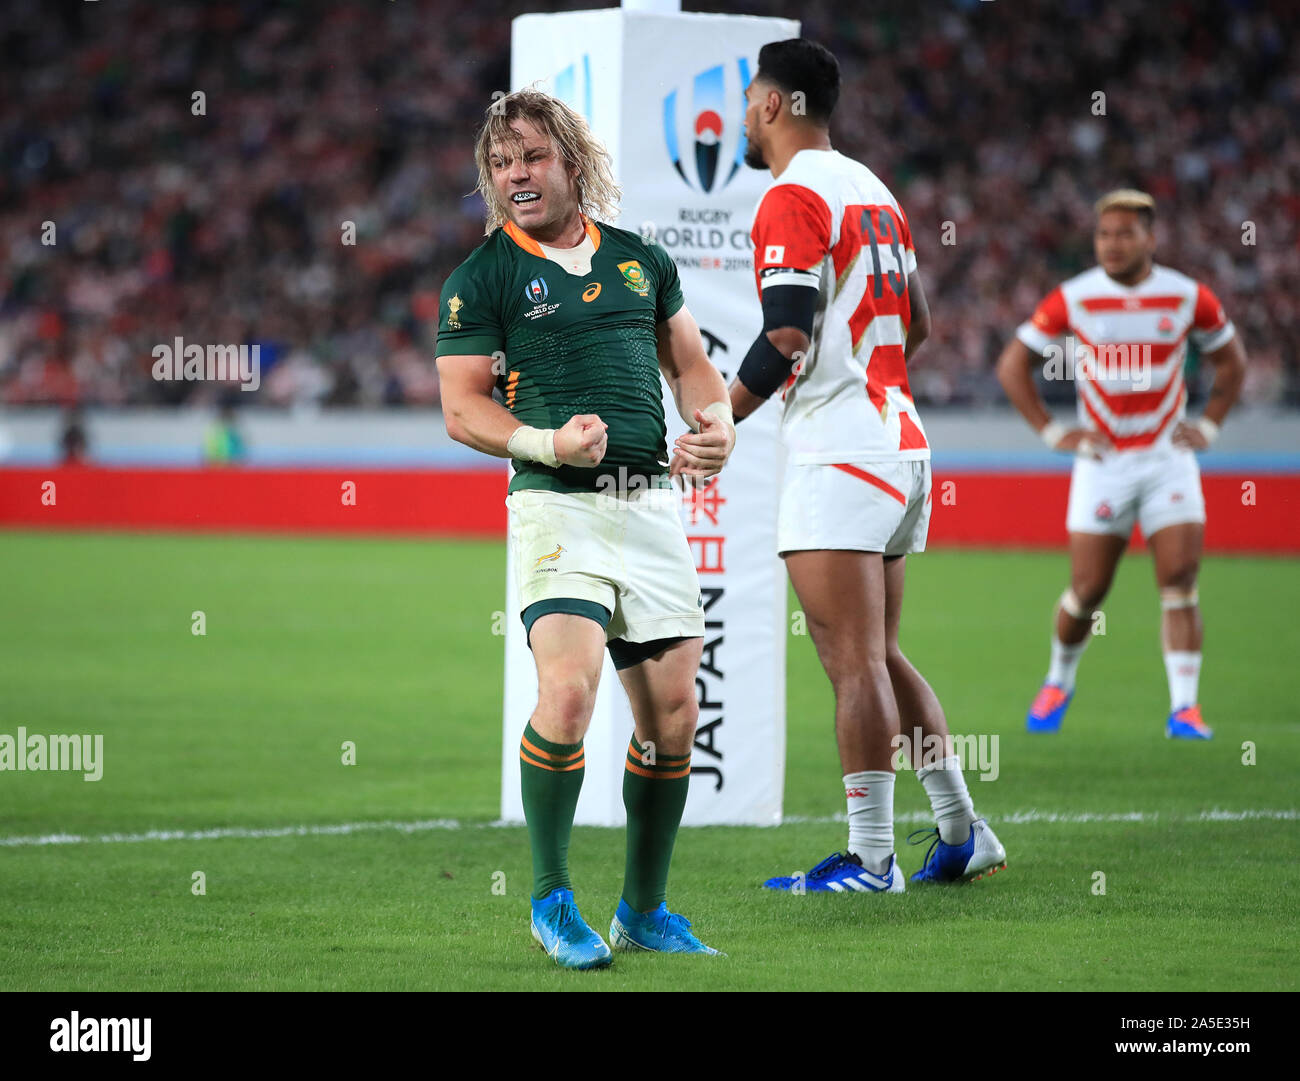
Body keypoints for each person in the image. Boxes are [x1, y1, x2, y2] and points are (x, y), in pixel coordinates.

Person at [435, 89, 735, 968]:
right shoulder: (482, 277)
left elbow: (690, 365)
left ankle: (643, 909)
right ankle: (550, 899)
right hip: (555, 507)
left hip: (650, 507)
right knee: (567, 695)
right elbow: (461, 408)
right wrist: (545, 442)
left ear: (571, 160)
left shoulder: (641, 260)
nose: (515, 176)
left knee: (674, 715)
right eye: (500, 163)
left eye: (530, 157)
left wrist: (714, 423)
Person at [728, 39, 1006, 892]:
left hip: (841, 450)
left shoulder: (793, 193)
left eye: (749, 99)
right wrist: (864, 368)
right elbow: (916, 321)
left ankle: (873, 857)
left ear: (774, 105)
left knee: (849, 657)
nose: (743, 115)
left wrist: (721, 417)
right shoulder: (873, 189)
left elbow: (786, 333)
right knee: (879, 651)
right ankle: (961, 830)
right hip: (900, 440)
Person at [996, 189, 1246, 740]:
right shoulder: (1074, 297)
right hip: (1103, 462)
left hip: (1167, 460)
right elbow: (1014, 364)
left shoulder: (1187, 296)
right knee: (1087, 590)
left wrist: (1208, 425)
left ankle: (1184, 709)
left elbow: (1233, 360)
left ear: (1150, 239)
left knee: (1179, 580)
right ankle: (1059, 679)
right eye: (1104, 234)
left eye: (1125, 234)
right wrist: (1053, 431)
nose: (1112, 244)